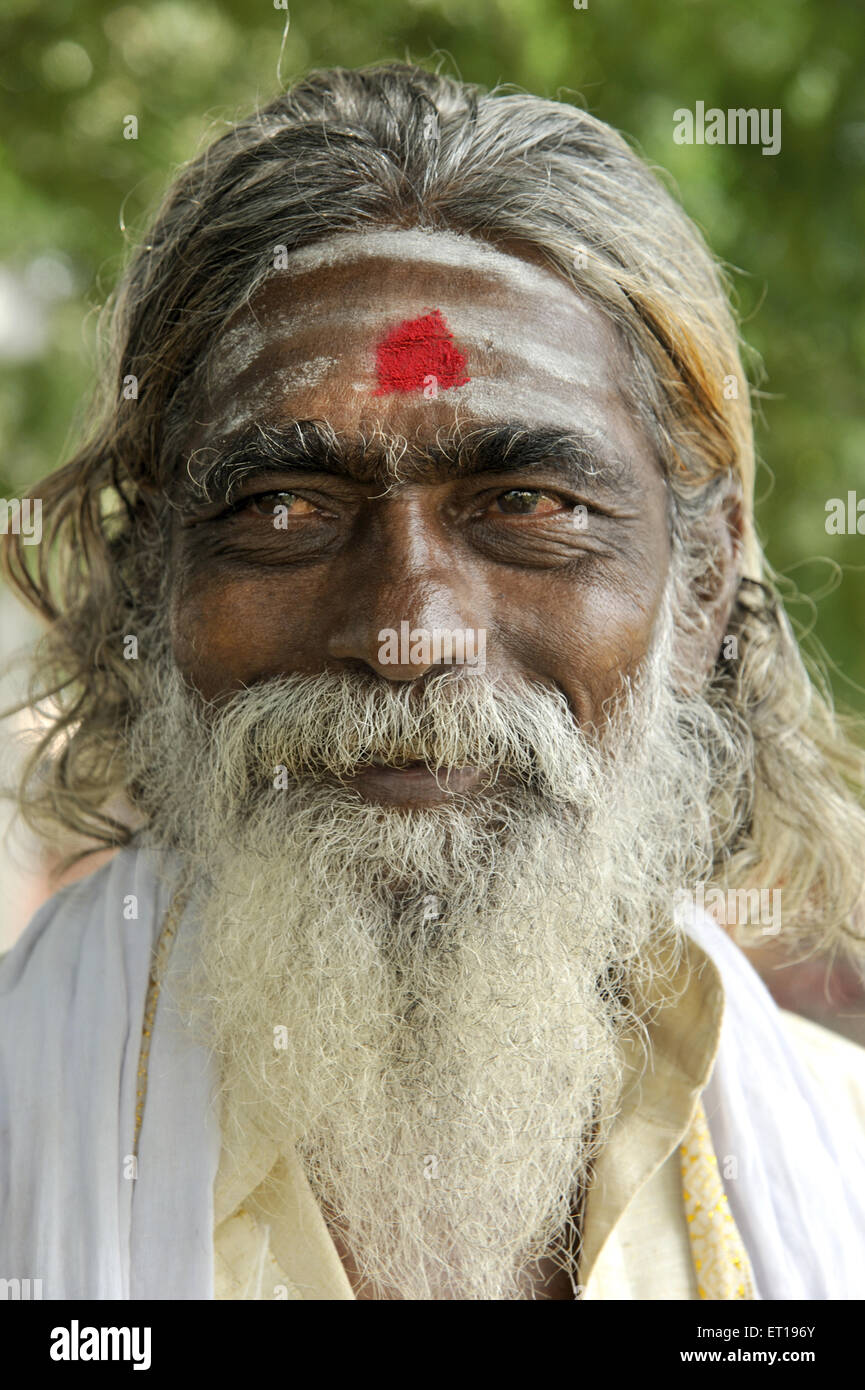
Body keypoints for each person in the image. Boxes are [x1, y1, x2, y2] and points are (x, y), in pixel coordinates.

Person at [2, 61, 865, 1302]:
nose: (408, 635)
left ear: (704, 585)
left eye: (528, 505)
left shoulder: (834, 1169)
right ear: (151, 590)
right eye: (288, 506)